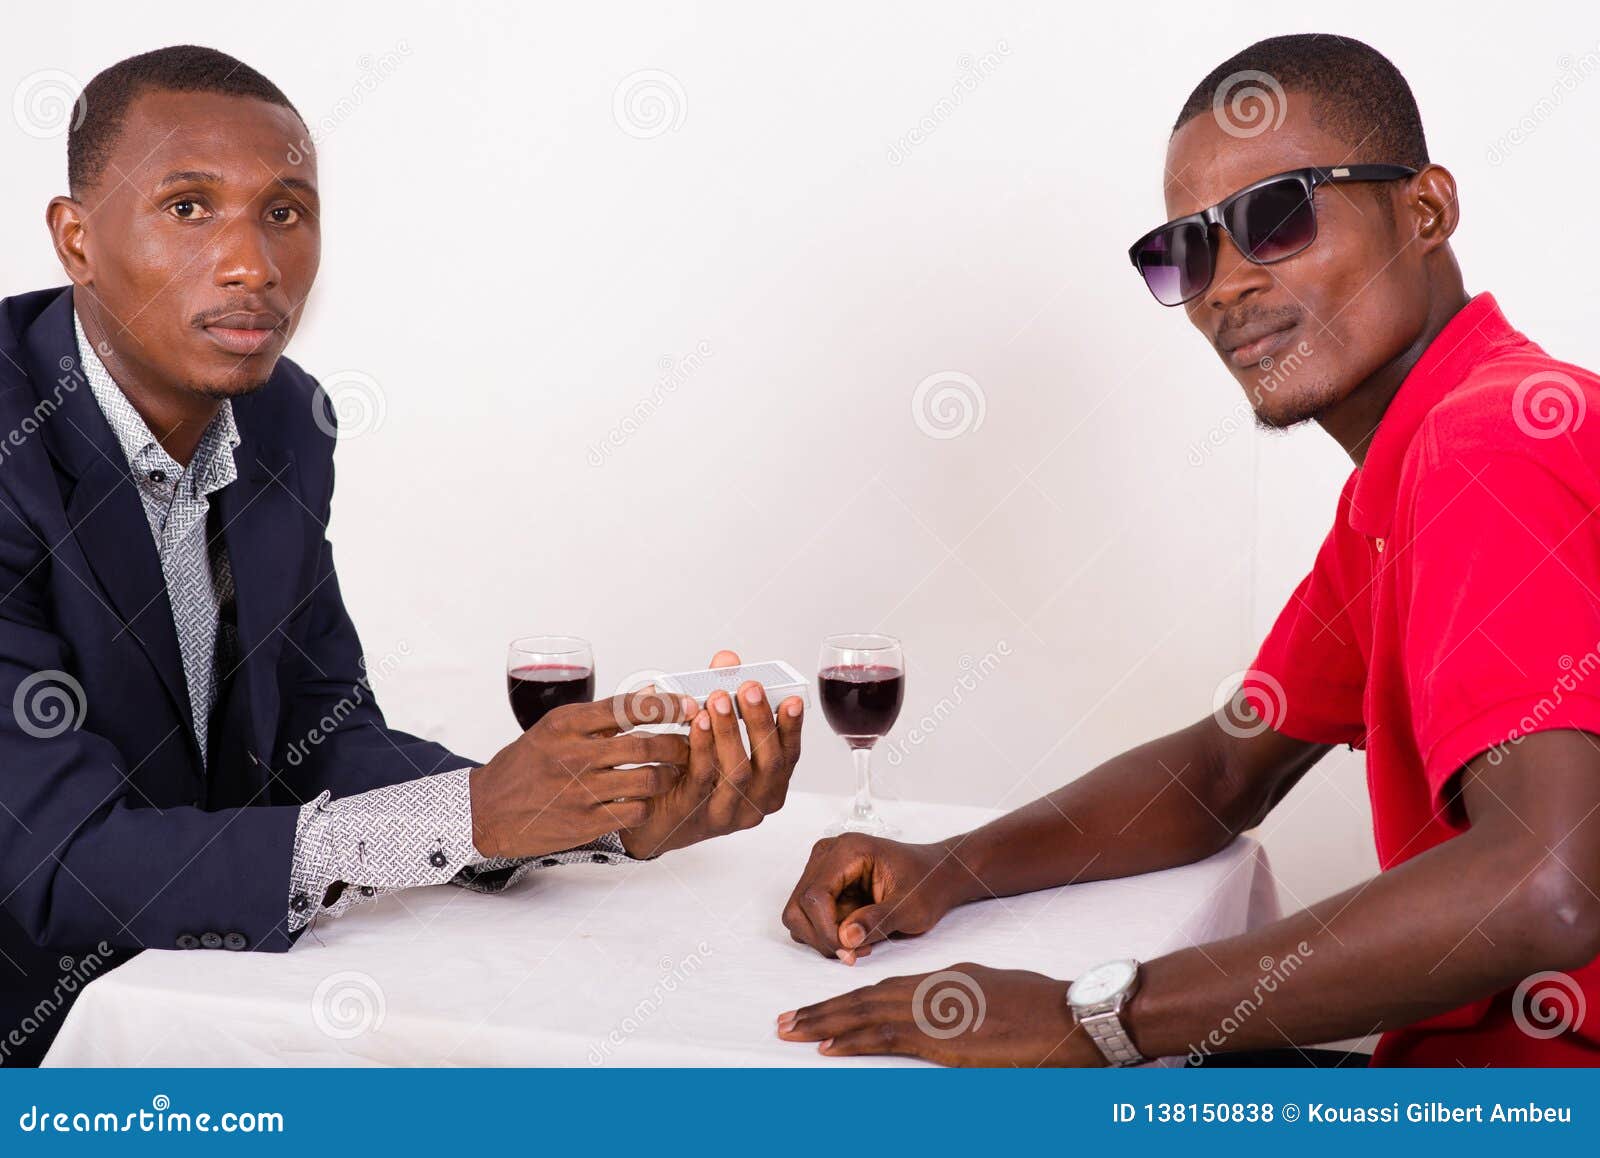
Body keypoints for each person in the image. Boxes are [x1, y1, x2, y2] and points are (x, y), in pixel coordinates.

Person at [776, 33, 1600, 1067]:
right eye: (1187, 251)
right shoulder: (1414, 469)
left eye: (1276, 216)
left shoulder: (1488, 445)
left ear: (1423, 210)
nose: (1222, 286)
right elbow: (1223, 766)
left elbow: (1548, 886)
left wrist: (1093, 1017)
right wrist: (948, 867)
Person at [0, 45, 804, 1068]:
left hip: (210, 997)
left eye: (286, 211)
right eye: (189, 207)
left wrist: (587, 811)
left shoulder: (285, 418)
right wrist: (476, 814)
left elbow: (321, 734)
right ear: (76, 238)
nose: (253, 263)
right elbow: (61, 863)